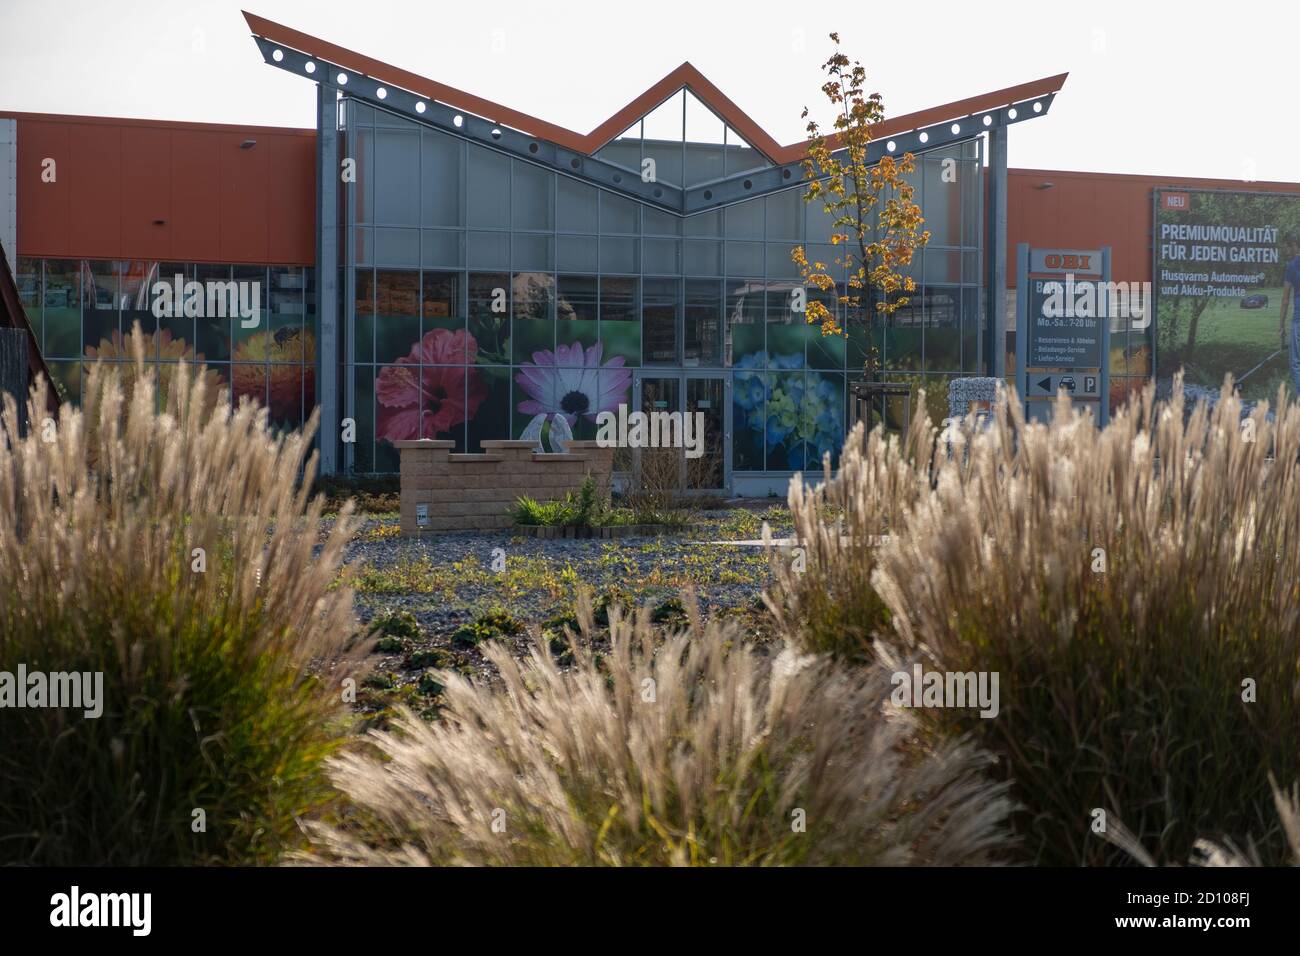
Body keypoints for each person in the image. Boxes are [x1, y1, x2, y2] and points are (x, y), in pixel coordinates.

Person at [1282, 234, 1300, 395]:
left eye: (1288, 247)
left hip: (1298, 320)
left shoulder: (1291, 266)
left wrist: (1281, 326)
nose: (1287, 250)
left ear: (1294, 245)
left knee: (1295, 362)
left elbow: (1286, 299)